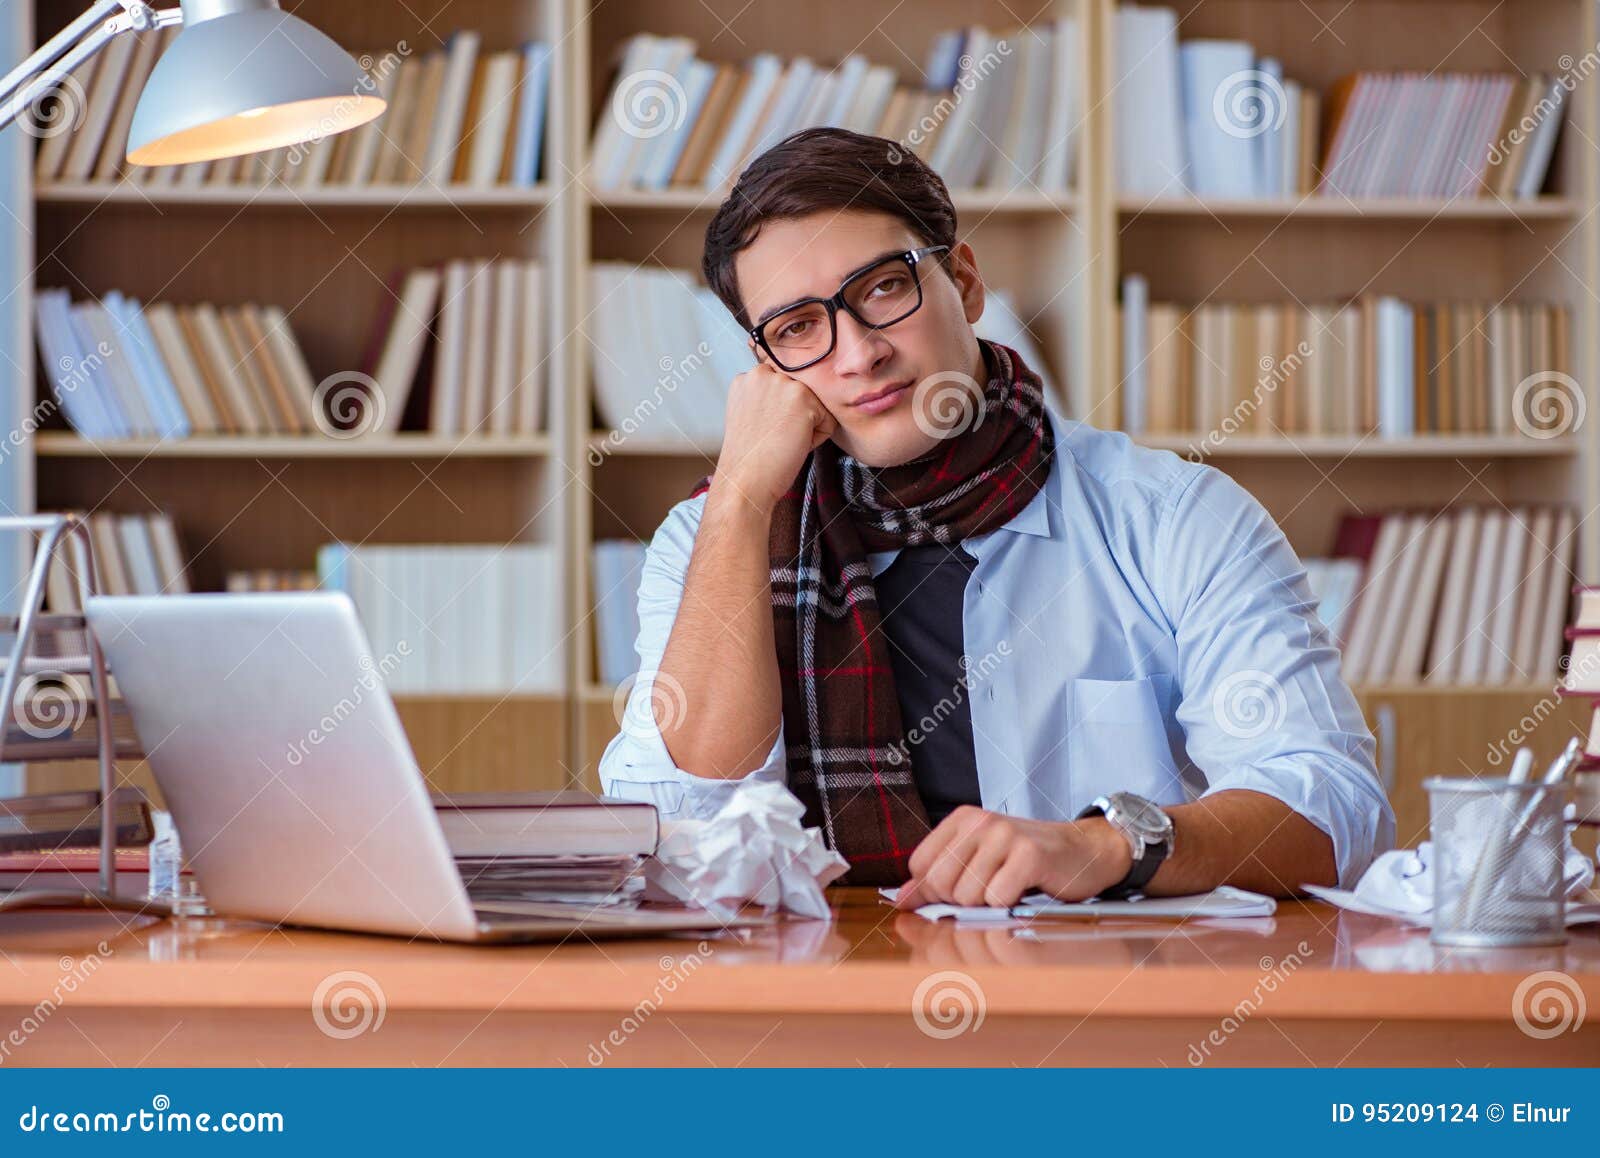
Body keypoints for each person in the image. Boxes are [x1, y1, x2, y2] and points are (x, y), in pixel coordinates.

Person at [599, 127, 1393, 909]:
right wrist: (740, 499)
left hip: (1107, 1007)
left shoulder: (1175, 517)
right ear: (766, 369)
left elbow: (1336, 808)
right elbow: (672, 827)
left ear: (966, 284)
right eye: (798, 327)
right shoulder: (710, 540)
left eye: (882, 287)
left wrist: (1106, 845)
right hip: (814, 1007)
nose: (857, 354)